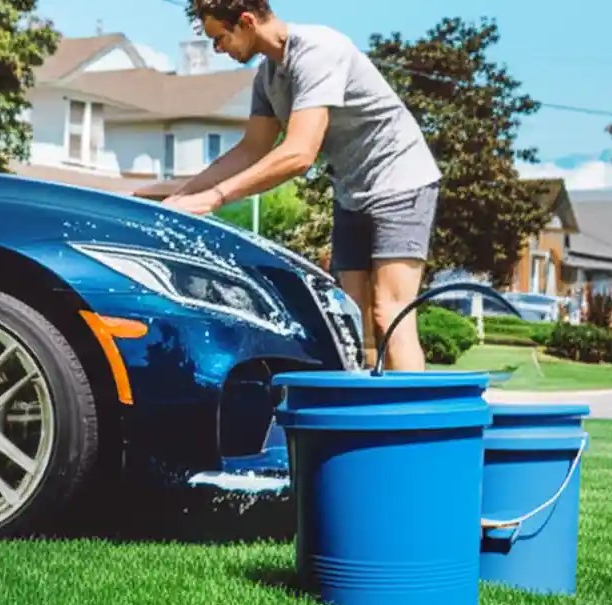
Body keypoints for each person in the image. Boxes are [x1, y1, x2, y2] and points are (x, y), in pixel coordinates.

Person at [163, 0, 442, 371]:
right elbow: (250, 149)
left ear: (246, 21)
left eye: (220, 38)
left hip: (402, 179)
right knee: (355, 318)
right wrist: (177, 200)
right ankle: (365, 418)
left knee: (388, 311)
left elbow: (298, 154)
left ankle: (409, 424)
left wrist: (214, 199)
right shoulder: (267, 76)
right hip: (351, 190)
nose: (218, 49)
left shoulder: (318, 51)